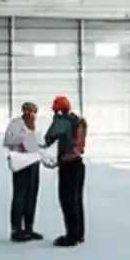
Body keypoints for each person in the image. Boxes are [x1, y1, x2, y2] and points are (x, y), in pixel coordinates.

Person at [44, 96, 87, 247]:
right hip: (79, 164)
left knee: (67, 200)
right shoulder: (78, 120)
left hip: (67, 164)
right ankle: (79, 233)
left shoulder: (62, 121)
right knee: (77, 200)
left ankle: (71, 236)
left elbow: (49, 137)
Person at [2, 102, 44, 242]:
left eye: (33, 111)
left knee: (32, 195)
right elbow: (7, 140)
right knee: (20, 195)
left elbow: (39, 142)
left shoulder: (36, 124)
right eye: (28, 111)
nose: (31, 114)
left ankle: (29, 228)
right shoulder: (15, 124)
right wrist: (24, 137)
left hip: (33, 162)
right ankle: (16, 229)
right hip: (21, 162)